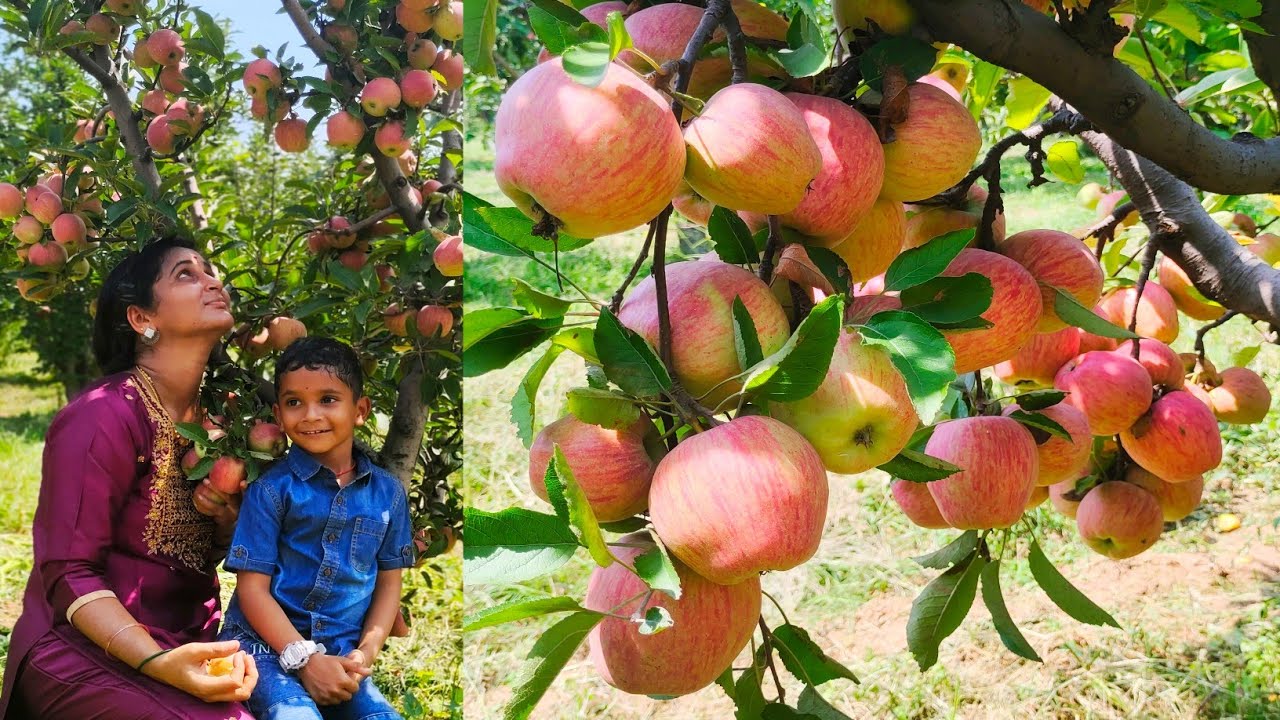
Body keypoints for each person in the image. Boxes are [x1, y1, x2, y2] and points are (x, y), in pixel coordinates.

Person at [0, 236, 259, 719]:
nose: (211, 281)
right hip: (86, 650)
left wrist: (227, 522)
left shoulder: (224, 427)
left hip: (190, 645)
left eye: (210, 270)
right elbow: (67, 571)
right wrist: (157, 661)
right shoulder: (101, 418)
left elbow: (187, 554)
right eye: (186, 273)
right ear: (143, 319)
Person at [218, 337, 415, 719]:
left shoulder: (388, 494)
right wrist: (304, 659)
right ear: (278, 414)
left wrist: (364, 655)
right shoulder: (271, 490)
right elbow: (252, 589)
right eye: (294, 402)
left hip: (340, 654)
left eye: (327, 399)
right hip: (263, 648)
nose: (310, 415)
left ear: (360, 410)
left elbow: (390, 583)